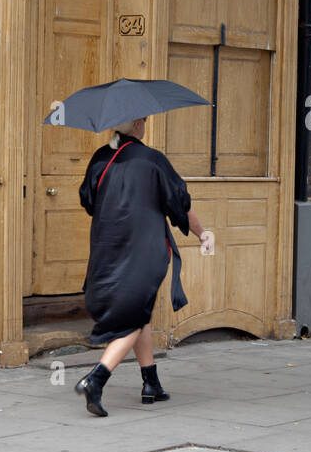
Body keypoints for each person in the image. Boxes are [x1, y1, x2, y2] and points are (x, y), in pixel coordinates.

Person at [73, 116, 214, 416]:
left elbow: (88, 200)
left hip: (107, 249)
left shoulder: (100, 159)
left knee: (140, 310)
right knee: (134, 316)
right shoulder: (153, 160)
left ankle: (151, 382)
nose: (146, 124)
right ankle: (96, 379)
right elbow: (180, 204)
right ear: (137, 125)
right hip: (143, 251)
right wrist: (203, 234)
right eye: (145, 121)